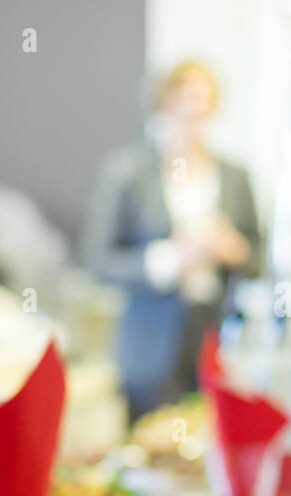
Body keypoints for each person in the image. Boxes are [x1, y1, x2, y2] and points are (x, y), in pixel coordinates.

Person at [81, 60, 261, 421]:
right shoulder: (129, 172)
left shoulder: (234, 175)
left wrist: (232, 249)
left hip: (218, 333)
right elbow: (97, 263)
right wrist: (171, 258)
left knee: (214, 440)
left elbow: (261, 259)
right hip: (150, 342)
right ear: (165, 100)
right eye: (184, 96)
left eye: (202, 97)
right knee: (153, 451)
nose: (194, 107)